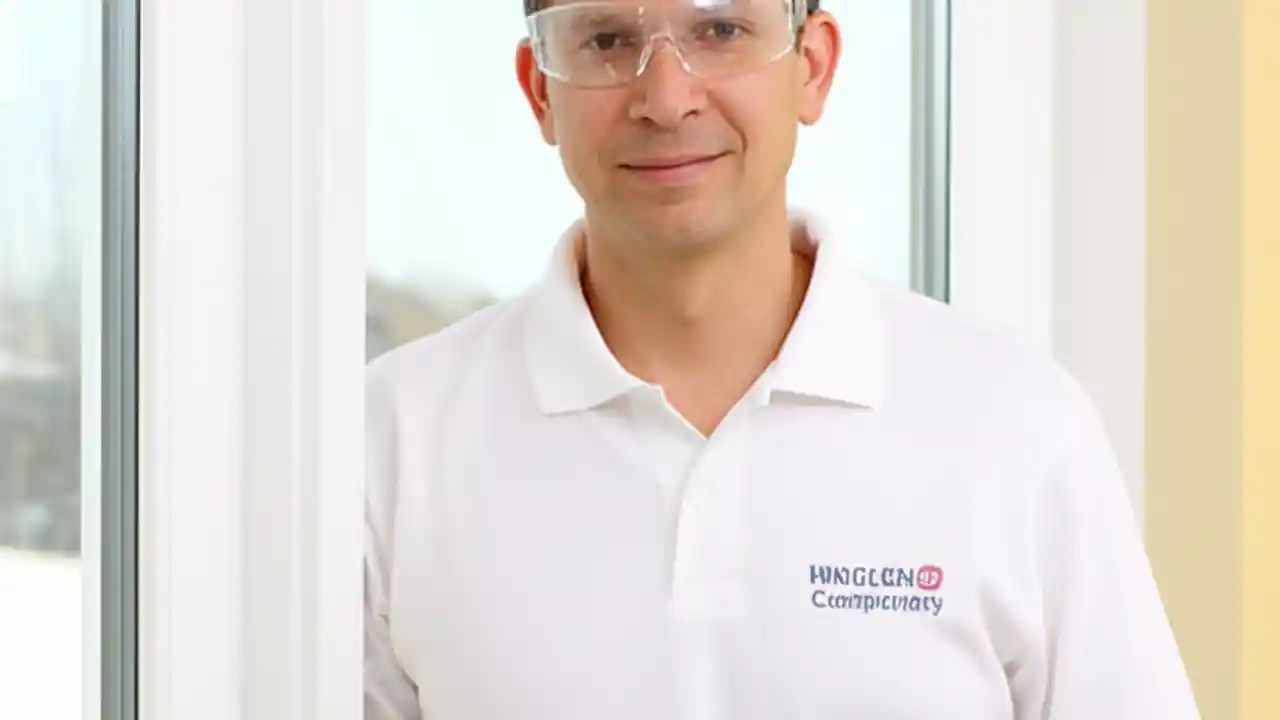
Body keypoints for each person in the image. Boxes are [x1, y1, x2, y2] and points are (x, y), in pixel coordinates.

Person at [364, 0, 1200, 717]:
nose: (665, 96)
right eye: (608, 40)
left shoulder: (1016, 428)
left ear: (815, 65)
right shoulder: (392, 439)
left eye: (721, 28)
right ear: (539, 88)